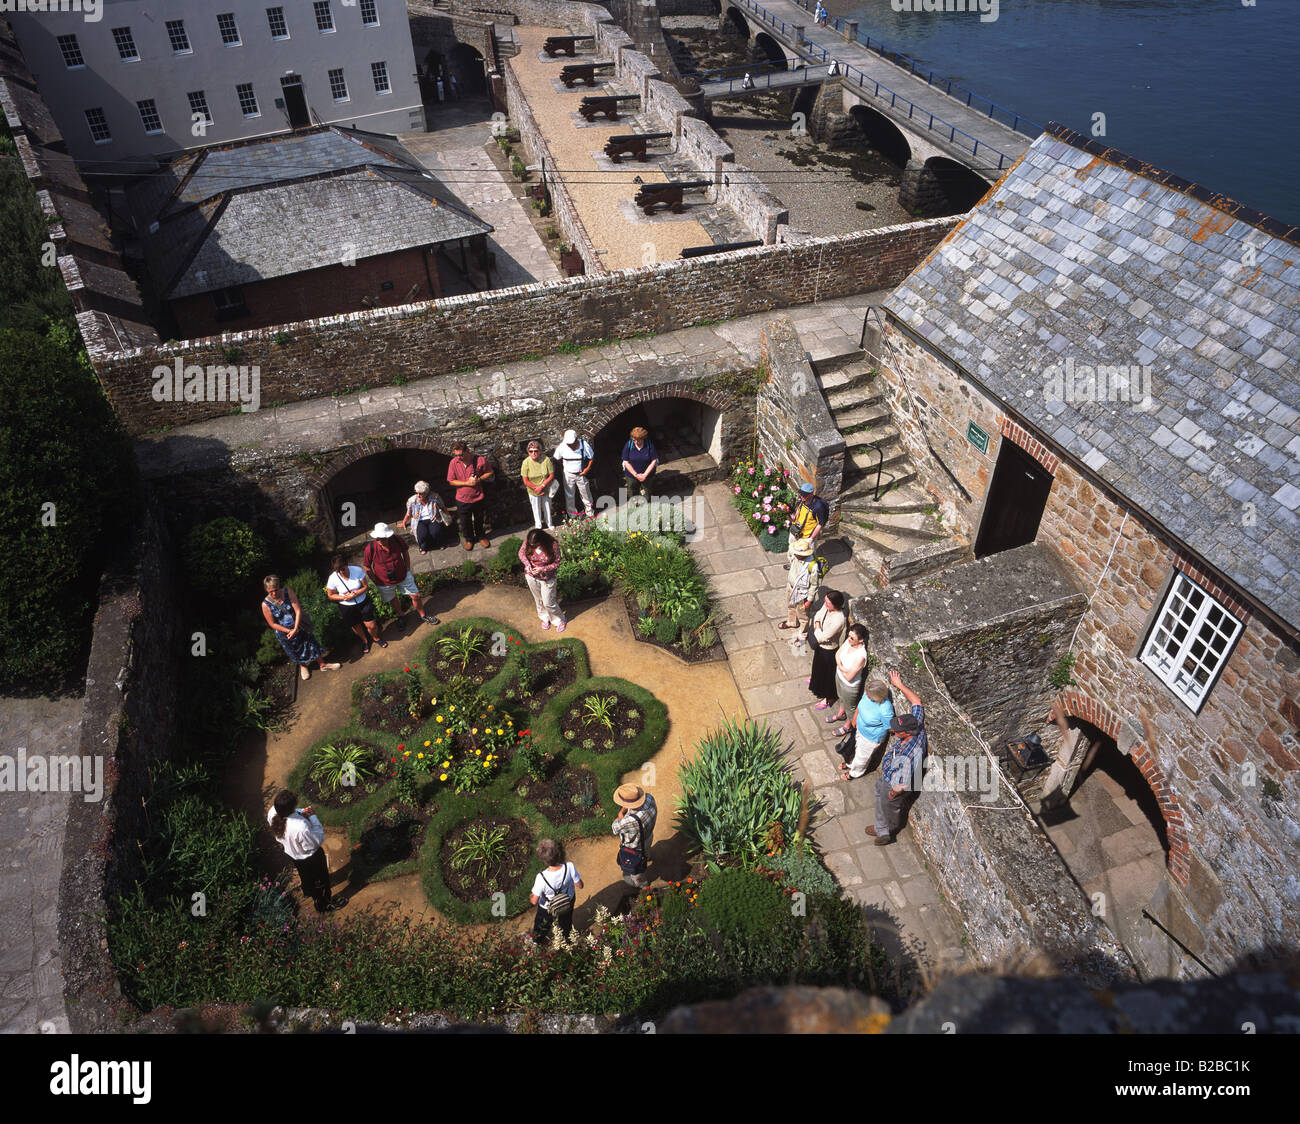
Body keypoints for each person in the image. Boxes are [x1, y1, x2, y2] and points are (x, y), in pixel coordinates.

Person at [867, 670, 928, 846]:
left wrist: (892, 793)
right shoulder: (915, 724)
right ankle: (881, 827)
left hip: (894, 784)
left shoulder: (909, 756)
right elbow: (917, 702)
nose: (893, 731)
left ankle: (887, 832)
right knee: (879, 795)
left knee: (889, 806)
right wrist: (899, 685)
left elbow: (902, 784)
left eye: (896, 731)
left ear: (906, 733)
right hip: (888, 776)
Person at [363, 523, 440, 632]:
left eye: (382, 538)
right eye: (378, 538)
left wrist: (407, 569)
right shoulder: (370, 549)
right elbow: (366, 567)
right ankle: (401, 615)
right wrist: (376, 580)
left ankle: (423, 615)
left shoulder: (397, 539)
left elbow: (405, 552)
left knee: (416, 595)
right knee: (393, 599)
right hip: (384, 582)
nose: (380, 540)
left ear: (388, 536)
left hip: (403, 575)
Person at [261, 575, 340, 681]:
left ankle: (323, 664)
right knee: (293, 650)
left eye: (276, 590)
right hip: (284, 632)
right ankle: (303, 666)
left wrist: (295, 628)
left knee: (310, 642)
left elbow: (297, 610)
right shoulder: (266, 604)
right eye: (270, 592)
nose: (274, 593)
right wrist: (289, 631)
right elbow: (272, 624)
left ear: (279, 586)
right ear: (266, 590)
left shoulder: (288, 592)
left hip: (299, 624)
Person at [268, 790, 333, 912]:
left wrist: (301, 812)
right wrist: (312, 816)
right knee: (321, 880)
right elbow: (315, 842)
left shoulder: (272, 813)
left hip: (295, 856)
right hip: (310, 857)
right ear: (292, 807)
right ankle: (323, 904)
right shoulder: (300, 827)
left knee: (305, 875)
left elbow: (291, 814)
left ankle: (308, 890)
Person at [325, 554, 386, 656]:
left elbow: (365, 586)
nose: (341, 572)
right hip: (346, 606)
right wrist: (344, 597)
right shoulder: (333, 578)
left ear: (346, 564)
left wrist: (356, 593)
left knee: (371, 625)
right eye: (338, 570)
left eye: (343, 569)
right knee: (356, 625)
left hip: (363, 602)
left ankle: (375, 638)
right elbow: (330, 595)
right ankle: (365, 641)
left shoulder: (357, 570)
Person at [529, 838, 583, 945]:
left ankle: (537, 941)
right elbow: (580, 885)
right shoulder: (570, 867)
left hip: (547, 907)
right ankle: (565, 939)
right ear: (557, 852)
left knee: (542, 925)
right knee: (565, 921)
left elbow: (534, 901)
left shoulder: (541, 877)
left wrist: (531, 896)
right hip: (567, 900)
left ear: (542, 859)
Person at [842, 679, 894, 781]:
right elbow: (860, 705)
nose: (866, 695)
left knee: (862, 757)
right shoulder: (868, 694)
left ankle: (854, 772)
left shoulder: (885, 709)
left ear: (877, 696)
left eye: (869, 695)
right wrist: (855, 718)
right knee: (856, 748)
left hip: (871, 738)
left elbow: (889, 727)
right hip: (860, 729)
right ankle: (850, 763)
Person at [447, 441, 494, 549]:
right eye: (456, 455)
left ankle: (481, 537)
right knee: (464, 521)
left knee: (479, 519)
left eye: (460, 455)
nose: (458, 457)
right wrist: (466, 483)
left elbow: (489, 472)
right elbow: (451, 481)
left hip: (478, 496)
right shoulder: (453, 463)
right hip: (462, 499)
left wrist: (479, 480)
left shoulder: (479, 460)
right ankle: (469, 539)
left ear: (467, 451)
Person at [519, 528, 566, 631]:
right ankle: (545, 617)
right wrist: (527, 565)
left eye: (535, 544)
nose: (532, 546)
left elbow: (557, 563)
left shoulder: (552, 545)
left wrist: (542, 569)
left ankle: (559, 620)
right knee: (538, 600)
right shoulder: (529, 541)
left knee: (548, 602)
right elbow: (521, 554)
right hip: (531, 576)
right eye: (531, 545)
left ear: (542, 540)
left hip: (547, 578)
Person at [808, 589, 848, 709]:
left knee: (827, 676)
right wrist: (817, 624)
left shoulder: (839, 620)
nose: (825, 604)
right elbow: (818, 615)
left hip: (829, 651)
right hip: (821, 648)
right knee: (817, 668)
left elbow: (822, 637)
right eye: (825, 602)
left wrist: (817, 626)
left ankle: (827, 698)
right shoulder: (827, 607)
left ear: (835, 605)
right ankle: (815, 684)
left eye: (828, 603)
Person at [613, 783, 657, 889]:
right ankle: (647, 856)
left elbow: (615, 828)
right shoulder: (650, 799)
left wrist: (620, 814)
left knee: (636, 869)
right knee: (646, 851)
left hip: (635, 847)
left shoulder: (630, 821)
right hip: (648, 836)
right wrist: (627, 808)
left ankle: (641, 883)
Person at [831, 623, 870, 733]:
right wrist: (842, 668)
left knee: (850, 707)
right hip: (839, 677)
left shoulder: (861, 656)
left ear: (861, 640)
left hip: (849, 686)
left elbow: (849, 677)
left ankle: (848, 726)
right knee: (841, 697)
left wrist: (840, 667)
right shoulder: (849, 643)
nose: (849, 639)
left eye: (852, 638)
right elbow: (837, 654)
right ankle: (840, 713)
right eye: (849, 636)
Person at [778, 537, 821, 631]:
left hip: (802, 593)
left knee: (803, 614)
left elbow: (814, 585)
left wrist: (809, 600)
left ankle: (803, 633)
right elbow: (789, 553)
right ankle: (792, 622)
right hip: (791, 587)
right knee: (791, 605)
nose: (795, 554)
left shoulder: (813, 566)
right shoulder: (795, 556)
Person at [553, 428, 595, 519]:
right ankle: (572, 515)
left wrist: (587, 469)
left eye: (571, 443)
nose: (570, 445)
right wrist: (565, 466)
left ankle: (590, 512)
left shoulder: (584, 444)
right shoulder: (562, 446)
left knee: (586, 494)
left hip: (581, 473)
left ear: (576, 439)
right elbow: (556, 458)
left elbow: (591, 457)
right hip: (568, 474)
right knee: (569, 495)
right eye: (568, 443)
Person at [788, 481, 829, 565]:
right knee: (792, 550)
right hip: (796, 531)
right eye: (801, 494)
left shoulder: (818, 507)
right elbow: (798, 509)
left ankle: (808, 571)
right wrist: (794, 517)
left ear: (811, 494)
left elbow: (820, 524)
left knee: (807, 556)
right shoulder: (802, 499)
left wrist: (811, 539)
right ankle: (792, 564)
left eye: (804, 495)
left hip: (807, 536)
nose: (801, 496)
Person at [402, 481, 449, 554]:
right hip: (419, 520)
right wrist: (404, 521)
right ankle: (423, 547)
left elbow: (443, 507)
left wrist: (448, 516)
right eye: (416, 492)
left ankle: (440, 543)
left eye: (420, 493)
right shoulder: (411, 500)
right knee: (421, 534)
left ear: (426, 493)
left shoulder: (435, 497)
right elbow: (409, 512)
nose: (418, 495)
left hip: (433, 518)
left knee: (436, 532)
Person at [520, 440, 557, 530]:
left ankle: (549, 522)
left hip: (545, 487)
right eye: (531, 451)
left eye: (536, 451)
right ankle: (538, 524)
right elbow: (525, 480)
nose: (533, 453)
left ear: (540, 451)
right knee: (536, 508)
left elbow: (551, 475)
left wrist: (542, 486)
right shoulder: (526, 462)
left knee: (547, 507)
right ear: (528, 452)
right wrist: (536, 488)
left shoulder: (546, 460)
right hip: (533, 489)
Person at [620, 426, 658, 501]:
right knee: (632, 490)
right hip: (631, 474)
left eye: (639, 440)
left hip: (647, 474)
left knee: (646, 491)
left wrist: (644, 475)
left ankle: (646, 506)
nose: (636, 442)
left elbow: (654, 460)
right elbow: (626, 461)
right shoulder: (629, 445)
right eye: (634, 440)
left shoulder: (649, 445)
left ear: (643, 438)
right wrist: (636, 475)